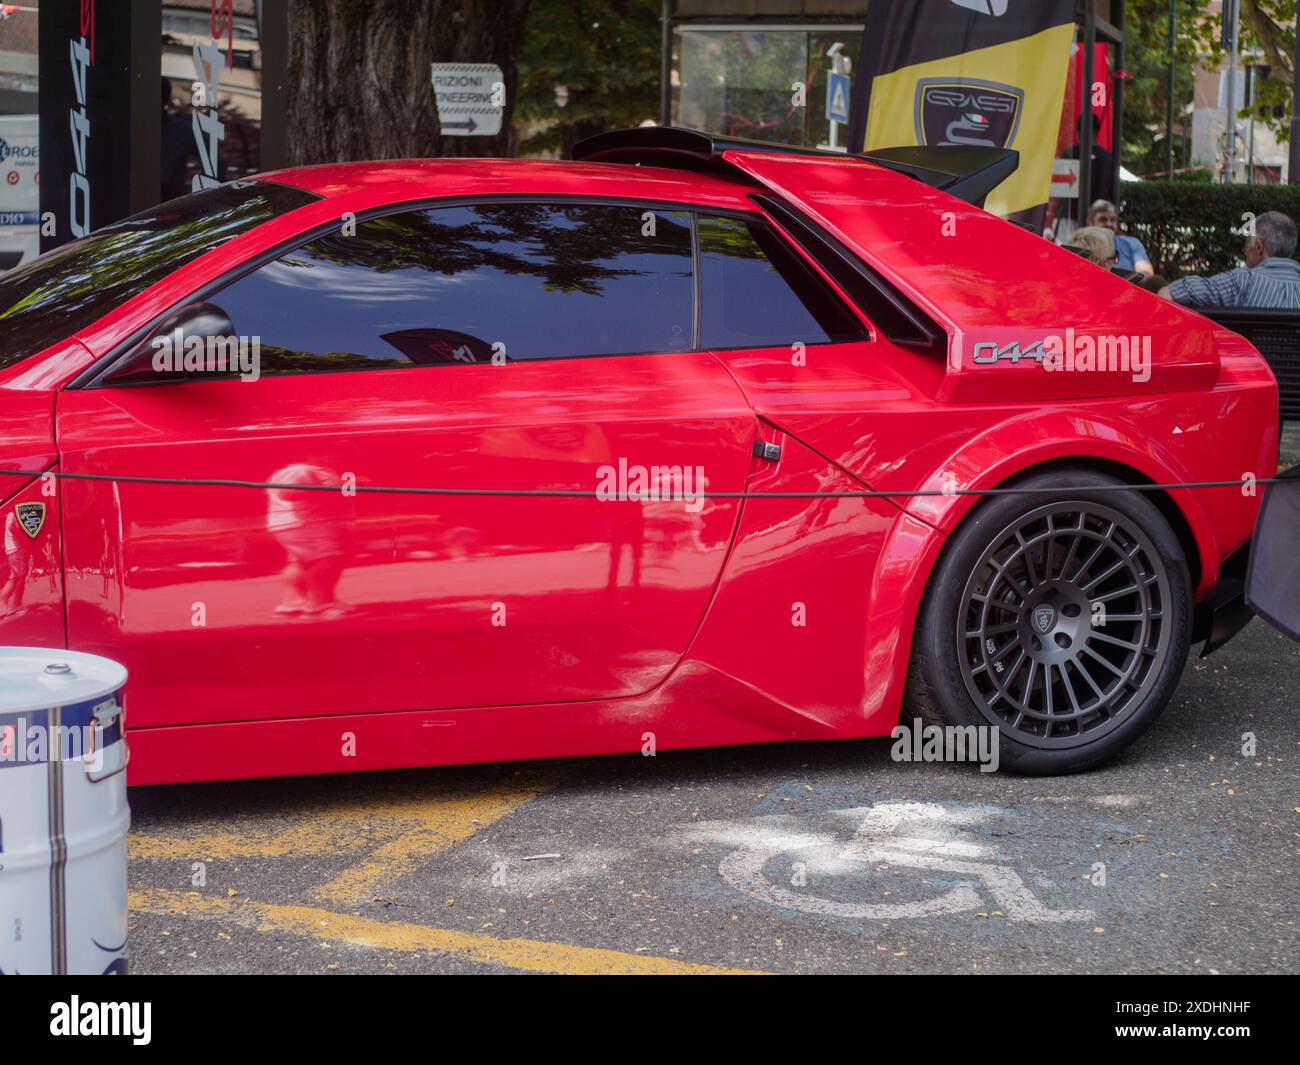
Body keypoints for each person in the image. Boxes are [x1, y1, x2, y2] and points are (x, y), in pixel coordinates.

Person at [1160, 211, 1300, 309]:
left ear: (1259, 247)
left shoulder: (1243, 280)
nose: (1245, 250)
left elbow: (1169, 293)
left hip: (1250, 352)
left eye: (1247, 243)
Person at [1088, 199, 1153, 277]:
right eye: (1103, 220)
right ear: (1090, 223)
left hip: (1126, 287)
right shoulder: (1083, 243)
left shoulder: (1131, 243)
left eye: (1113, 220)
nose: (1109, 224)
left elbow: (1146, 274)